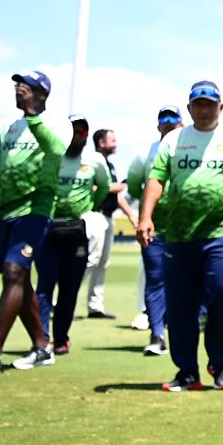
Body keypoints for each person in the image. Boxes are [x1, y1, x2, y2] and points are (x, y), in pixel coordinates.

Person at [136, 81, 223, 391]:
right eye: (198, 104)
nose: (204, 110)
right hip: (179, 235)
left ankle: (219, 364)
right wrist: (145, 216)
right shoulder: (173, 141)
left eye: (210, 104)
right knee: (180, 305)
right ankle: (187, 371)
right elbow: (156, 180)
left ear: (220, 107)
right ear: (190, 108)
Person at [0, 71, 71, 375]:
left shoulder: (56, 122)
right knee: (19, 280)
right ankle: (42, 346)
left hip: (35, 210)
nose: (19, 88)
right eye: (17, 83)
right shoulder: (9, 124)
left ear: (42, 93)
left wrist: (33, 117)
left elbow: (56, 150)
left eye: (26, 85)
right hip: (4, 213)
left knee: (14, 273)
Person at [36, 116, 111, 354]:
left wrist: (89, 208)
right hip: (48, 229)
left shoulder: (95, 160)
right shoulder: (48, 155)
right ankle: (41, 339)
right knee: (45, 286)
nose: (77, 136)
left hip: (77, 231)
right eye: (73, 131)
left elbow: (104, 187)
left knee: (69, 289)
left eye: (82, 132)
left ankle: (61, 339)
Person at [127, 104, 182, 354]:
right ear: (158, 124)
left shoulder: (192, 150)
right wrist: (146, 211)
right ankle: (157, 333)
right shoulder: (145, 154)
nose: (168, 122)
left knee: (183, 280)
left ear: (181, 123)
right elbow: (134, 184)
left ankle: (180, 326)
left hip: (184, 227)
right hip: (155, 227)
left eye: (173, 117)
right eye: (163, 118)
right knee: (155, 277)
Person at [82, 128, 136, 320]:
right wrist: (112, 187)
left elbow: (118, 195)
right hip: (94, 215)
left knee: (103, 262)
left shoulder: (109, 165)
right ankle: (64, 300)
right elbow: (87, 186)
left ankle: (95, 306)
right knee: (91, 260)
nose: (116, 143)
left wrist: (131, 215)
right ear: (101, 142)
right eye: (112, 140)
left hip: (108, 217)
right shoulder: (90, 161)